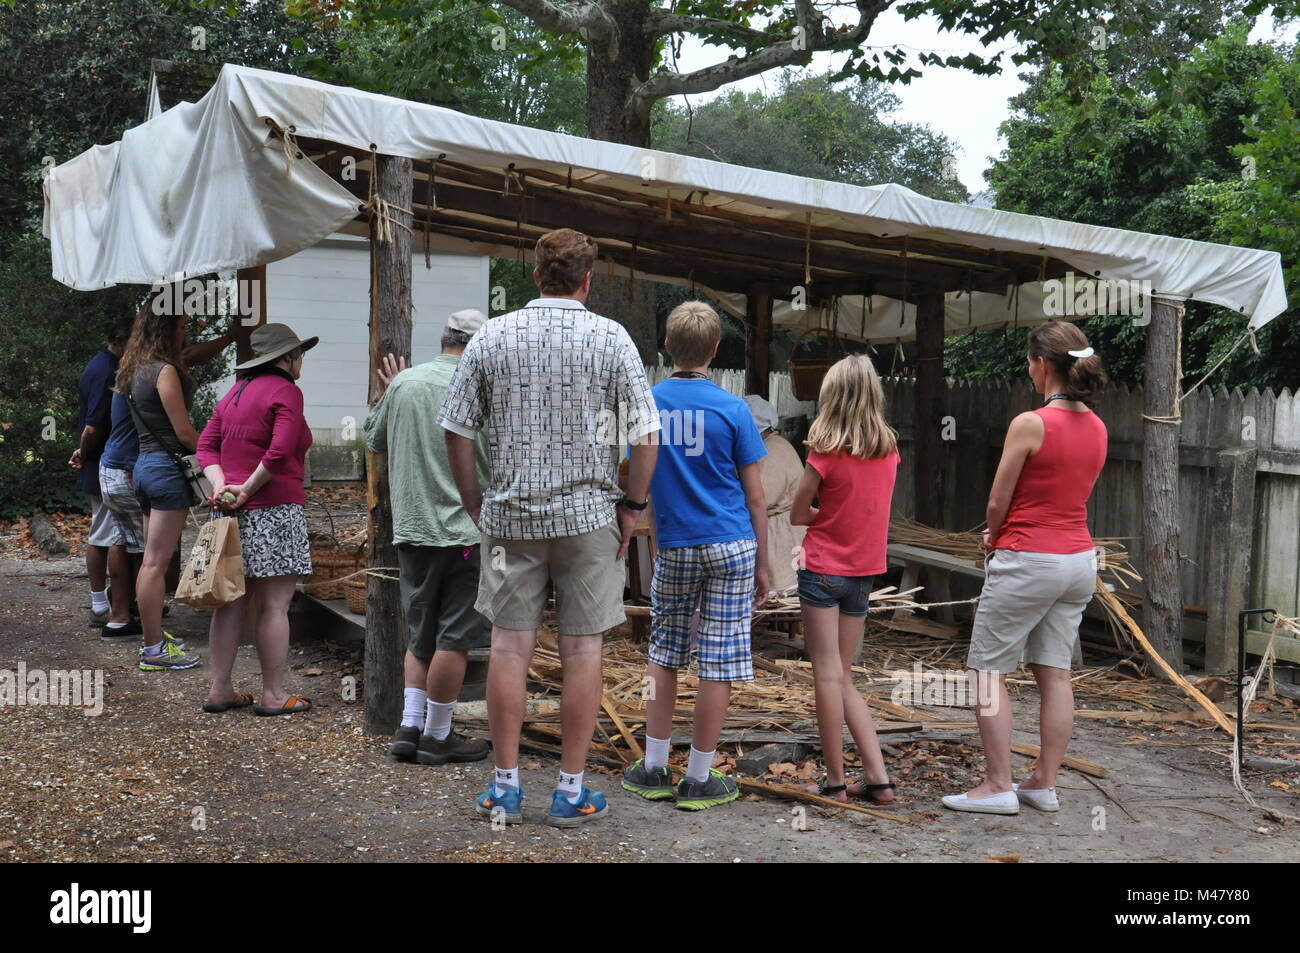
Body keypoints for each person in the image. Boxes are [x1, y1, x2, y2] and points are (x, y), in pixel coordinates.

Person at [440, 228, 660, 828]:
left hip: (509, 518)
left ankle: (505, 786)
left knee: (510, 646)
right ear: (588, 281)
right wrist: (633, 505)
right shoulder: (611, 338)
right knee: (582, 650)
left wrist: (473, 499)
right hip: (590, 519)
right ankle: (570, 789)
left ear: (537, 275)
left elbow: (456, 428)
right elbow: (646, 437)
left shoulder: (493, 335)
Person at [942, 321, 1108, 815]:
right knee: (1054, 674)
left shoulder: (1030, 423)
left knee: (987, 672)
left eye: (1030, 363)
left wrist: (993, 534)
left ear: (1042, 363)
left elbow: (999, 498)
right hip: (1079, 560)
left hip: (1030, 557)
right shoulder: (1097, 426)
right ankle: (1042, 783)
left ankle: (997, 785)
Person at [621, 302, 769, 811]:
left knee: (663, 655)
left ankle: (655, 765)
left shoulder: (648, 405)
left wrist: (654, 537)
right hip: (732, 544)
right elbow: (755, 497)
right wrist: (765, 563)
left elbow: (639, 480)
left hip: (676, 545)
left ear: (666, 346)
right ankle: (700, 776)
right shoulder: (733, 410)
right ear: (714, 350)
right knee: (719, 658)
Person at [364, 309, 492, 764]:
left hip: (413, 530)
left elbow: (373, 441)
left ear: (444, 338)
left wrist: (387, 394)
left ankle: (408, 726)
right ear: (478, 346)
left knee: (419, 635)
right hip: (465, 530)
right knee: (453, 638)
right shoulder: (481, 388)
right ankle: (438, 735)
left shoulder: (404, 384)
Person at [789, 355, 900, 805]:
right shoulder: (890, 450)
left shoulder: (823, 453)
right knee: (845, 677)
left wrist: (826, 516)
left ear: (830, 398)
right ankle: (879, 779)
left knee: (826, 677)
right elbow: (867, 511)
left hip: (822, 572)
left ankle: (834, 783)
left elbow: (799, 514)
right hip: (863, 576)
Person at [198, 323, 317, 716]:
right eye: (299, 354)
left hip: (227, 510)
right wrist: (249, 488)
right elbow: (280, 450)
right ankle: (273, 695)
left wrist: (222, 486)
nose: (301, 361)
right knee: (274, 605)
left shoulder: (235, 392)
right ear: (286, 358)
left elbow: (206, 446)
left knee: (229, 601)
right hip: (275, 509)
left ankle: (220, 689)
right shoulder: (287, 391)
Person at [118, 296, 202, 672]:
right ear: (167, 328)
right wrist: (217, 454)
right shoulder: (164, 371)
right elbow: (184, 433)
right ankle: (152, 649)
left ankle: (153, 638)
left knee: (150, 562)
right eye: (181, 325)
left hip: (144, 468)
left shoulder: (135, 369)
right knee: (154, 564)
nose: (185, 332)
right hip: (166, 471)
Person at [72, 318, 132, 632]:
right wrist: (83, 451)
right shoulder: (108, 371)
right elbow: (93, 426)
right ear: (122, 342)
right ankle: (104, 604)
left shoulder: (98, 363)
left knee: (104, 531)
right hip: (103, 463)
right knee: (108, 536)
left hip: (98, 460)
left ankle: (107, 600)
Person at [743, 394, 806, 594]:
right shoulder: (768, 446)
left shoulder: (773, 451)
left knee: (777, 592)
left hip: (779, 535)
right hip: (778, 530)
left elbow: (762, 497)